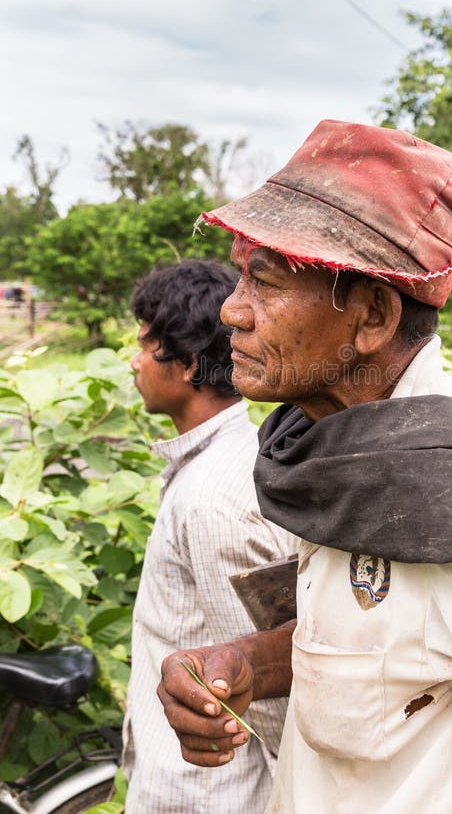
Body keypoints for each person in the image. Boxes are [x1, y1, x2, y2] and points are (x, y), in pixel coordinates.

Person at [156, 122, 452, 814]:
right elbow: (379, 638)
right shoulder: (347, 458)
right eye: (241, 276)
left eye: (265, 282)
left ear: (371, 317)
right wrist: (247, 663)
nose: (232, 310)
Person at [123, 258, 297, 813]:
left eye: (147, 345)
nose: (135, 361)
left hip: (206, 795)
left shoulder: (212, 500)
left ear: (190, 364)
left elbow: (261, 682)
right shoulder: (227, 458)